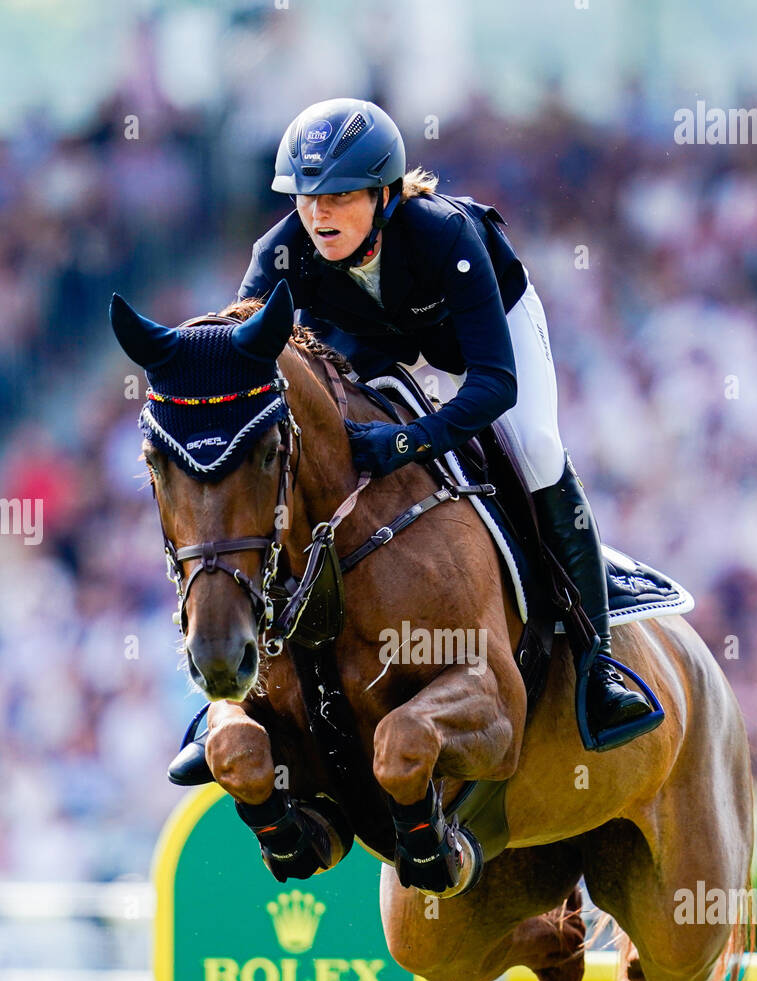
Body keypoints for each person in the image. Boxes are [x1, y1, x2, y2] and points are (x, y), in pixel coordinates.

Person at [173, 96, 658, 786]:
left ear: (383, 192)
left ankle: (597, 660)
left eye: (339, 196)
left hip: (478, 339)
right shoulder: (277, 255)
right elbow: (242, 362)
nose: (319, 213)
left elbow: (492, 385)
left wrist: (405, 445)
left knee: (539, 449)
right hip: (373, 343)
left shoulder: (444, 236)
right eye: (307, 196)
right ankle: (233, 698)